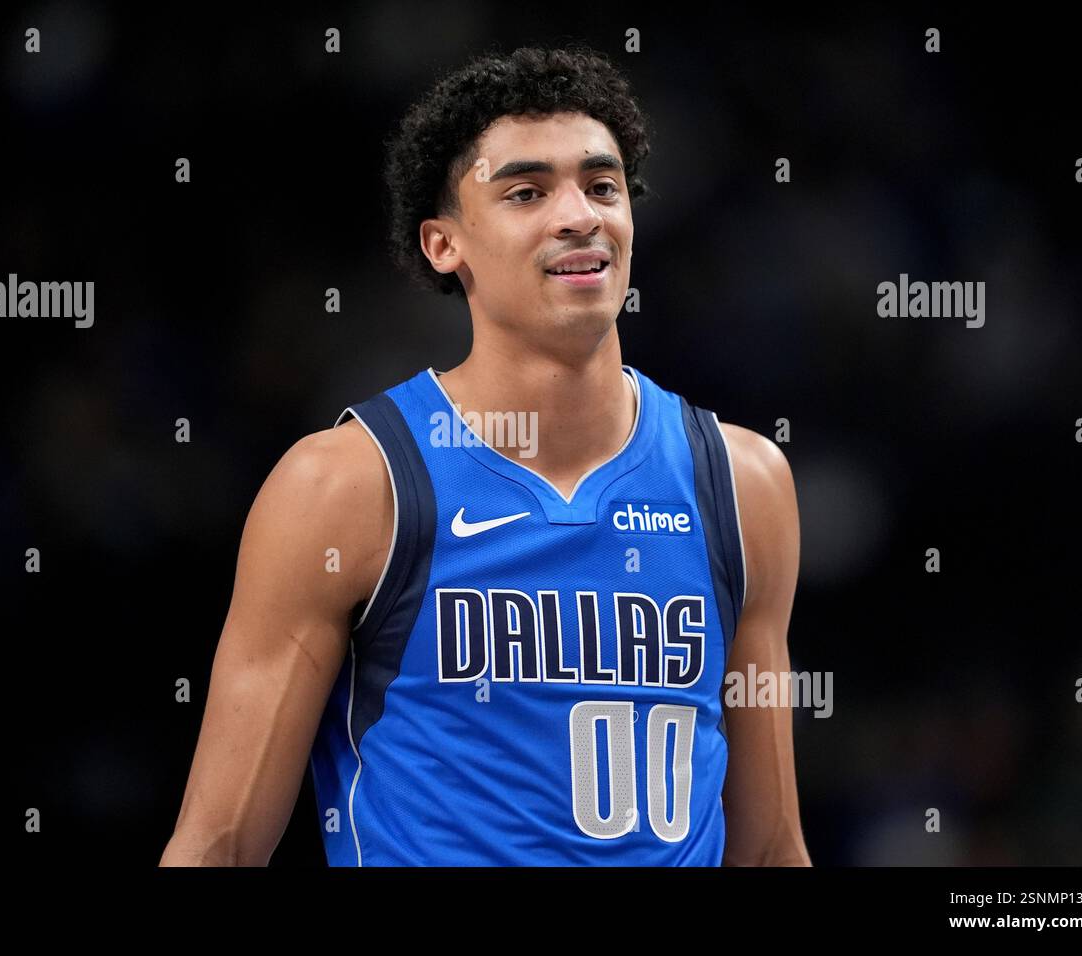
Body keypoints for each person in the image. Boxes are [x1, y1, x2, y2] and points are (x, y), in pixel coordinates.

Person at [160, 44, 811, 866]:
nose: (580, 215)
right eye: (528, 192)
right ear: (443, 245)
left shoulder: (744, 483)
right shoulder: (346, 487)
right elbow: (218, 844)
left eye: (602, 186)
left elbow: (771, 848)